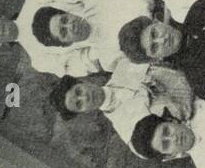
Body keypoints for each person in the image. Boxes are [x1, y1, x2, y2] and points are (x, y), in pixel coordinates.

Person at [49, 59, 193, 142]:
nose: (85, 97)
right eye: (79, 104)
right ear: (84, 112)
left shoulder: (124, 66)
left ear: (82, 82)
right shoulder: (127, 128)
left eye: (79, 91)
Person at [26, 0, 153, 77]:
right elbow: (145, 66)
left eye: (64, 20)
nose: (71, 26)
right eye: (64, 32)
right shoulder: (107, 58)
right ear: (66, 44)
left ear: (68, 13)